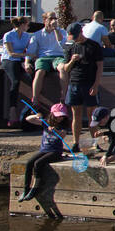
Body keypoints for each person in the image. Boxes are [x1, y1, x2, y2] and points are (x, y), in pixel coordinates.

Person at [16, 103, 70, 215]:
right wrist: (37, 116)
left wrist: (55, 131)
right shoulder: (45, 122)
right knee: (29, 163)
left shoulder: (63, 127)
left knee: (38, 164)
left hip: (55, 152)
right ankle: (26, 189)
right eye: (58, 116)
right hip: (44, 150)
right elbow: (27, 119)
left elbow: (62, 136)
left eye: (62, 116)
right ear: (52, 114)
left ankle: (35, 188)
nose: (60, 118)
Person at [59, 21, 103, 152]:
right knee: (76, 115)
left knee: (92, 116)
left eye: (76, 36)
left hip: (89, 83)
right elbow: (65, 69)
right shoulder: (70, 47)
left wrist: (96, 85)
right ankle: (75, 142)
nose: (75, 39)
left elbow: (100, 67)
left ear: (81, 33)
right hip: (74, 84)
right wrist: (72, 60)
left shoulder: (93, 46)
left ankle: (95, 142)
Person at [26, 14, 67, 105]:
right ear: (45, 20)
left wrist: (56, 29)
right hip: (43, 57)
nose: (53, 20)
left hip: (58, 56)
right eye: (51, 18)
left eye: (55, 18)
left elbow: (63, 44)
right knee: (39, 72)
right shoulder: (37, 34)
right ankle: (35, 98)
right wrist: (27, 63)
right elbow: (30, 50)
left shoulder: (62, 32)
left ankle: (64, 95)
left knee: (63, 68)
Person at [0, 17, 32, 127]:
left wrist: (27, 60)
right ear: (22, 25)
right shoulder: (8, 35)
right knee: (15, 81)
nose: (28, 27)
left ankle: (32, 106)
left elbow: (29, 50)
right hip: (9, 60)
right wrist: (26, 55)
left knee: (31, 76)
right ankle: (12, 111)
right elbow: (11, 53)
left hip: (21, 60)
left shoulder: (27, 36)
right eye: (27, 25)